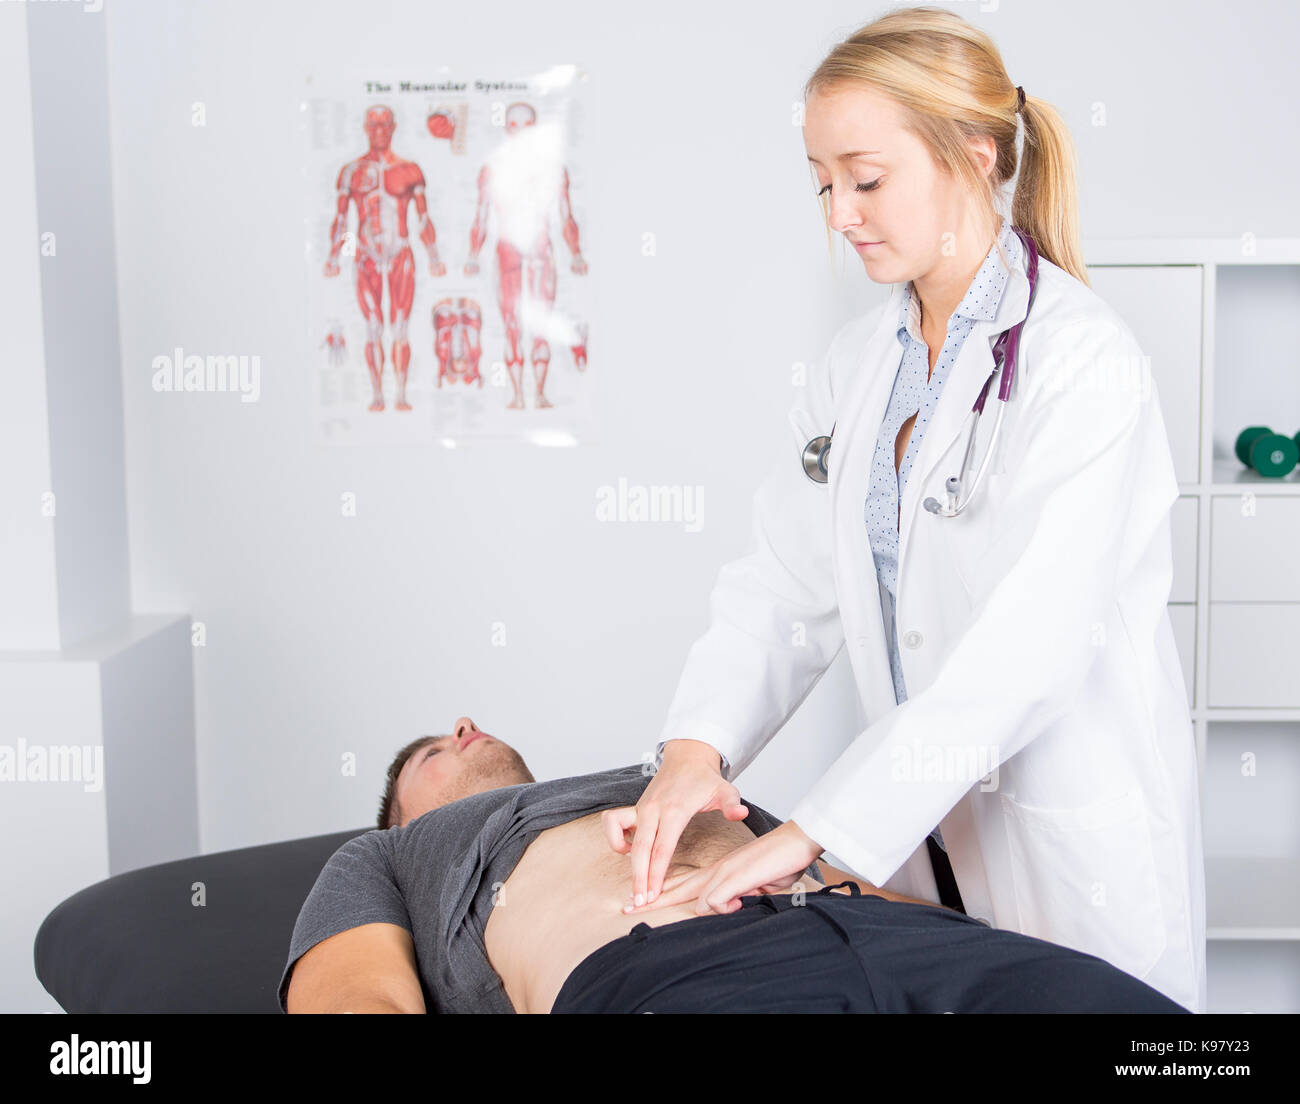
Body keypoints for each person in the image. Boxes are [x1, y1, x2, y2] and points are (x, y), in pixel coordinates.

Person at [621, 6, 1205, 1013]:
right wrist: (693, 750)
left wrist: (815, 831)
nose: (838, 212)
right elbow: (784, 581)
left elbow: (1031, 645)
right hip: (922, 838)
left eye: (866, 178)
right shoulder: (860, 366)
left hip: (1060, 839)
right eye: (821, 183)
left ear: (973, 156)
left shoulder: (1081, 360)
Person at [280, 718, 1187, 1013]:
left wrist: (941, 932)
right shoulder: (388, 855)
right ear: (408, 809)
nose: (467, 724)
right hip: (675, 970)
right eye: (437, 745)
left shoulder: (663, 783)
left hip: (901, 936)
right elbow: (355, 1003)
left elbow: (835, 859)